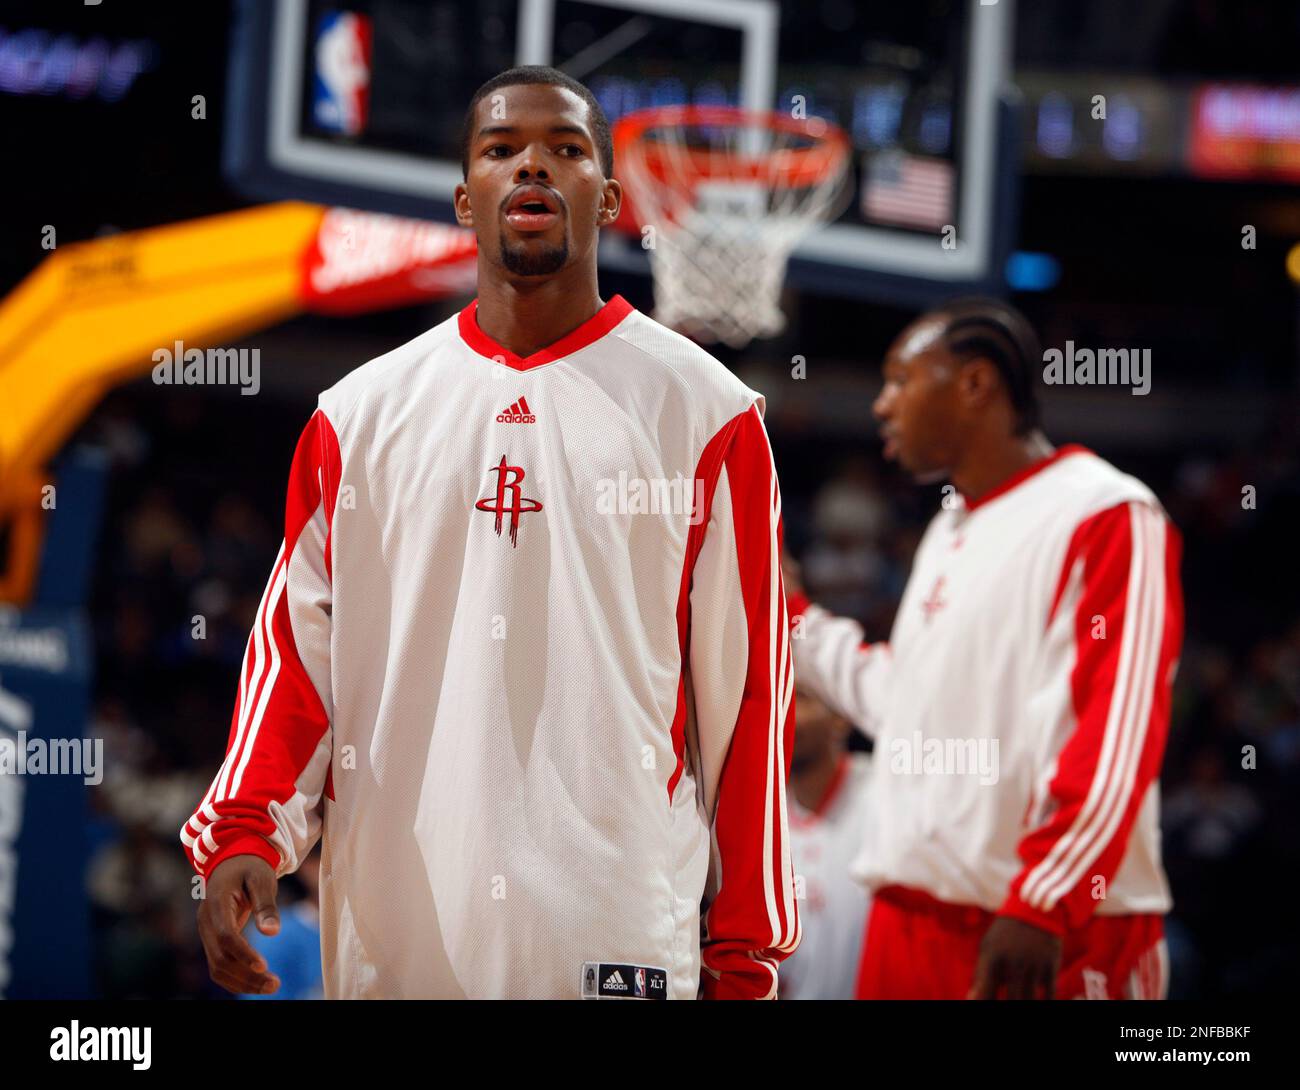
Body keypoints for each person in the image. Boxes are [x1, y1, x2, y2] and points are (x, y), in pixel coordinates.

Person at [180, 66, 798, 999]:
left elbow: (748, 701)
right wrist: (245, 830)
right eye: (502, 150)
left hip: (617, 922)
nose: (533, 168)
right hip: (400, 933)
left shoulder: (709, 415)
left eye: (567, 150)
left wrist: (744, 950)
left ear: (613, 198)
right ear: (467, 201)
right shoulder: (359, 416)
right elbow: (295, 654)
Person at [787, 298, 1183, 1000]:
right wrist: (787, 618)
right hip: (908, 917)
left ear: (974, 384)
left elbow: (1116, 726)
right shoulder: (949, 527)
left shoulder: (1107, 511)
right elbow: (905, 699)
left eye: (900, 380)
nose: (881, 405)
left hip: (1043, 925)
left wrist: (1045, 898)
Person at [779, 688, 872, 1000]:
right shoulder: (756, 813)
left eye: (802, 697)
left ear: (840, 718)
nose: (786, 712)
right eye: (780, 698)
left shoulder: (882, 792)